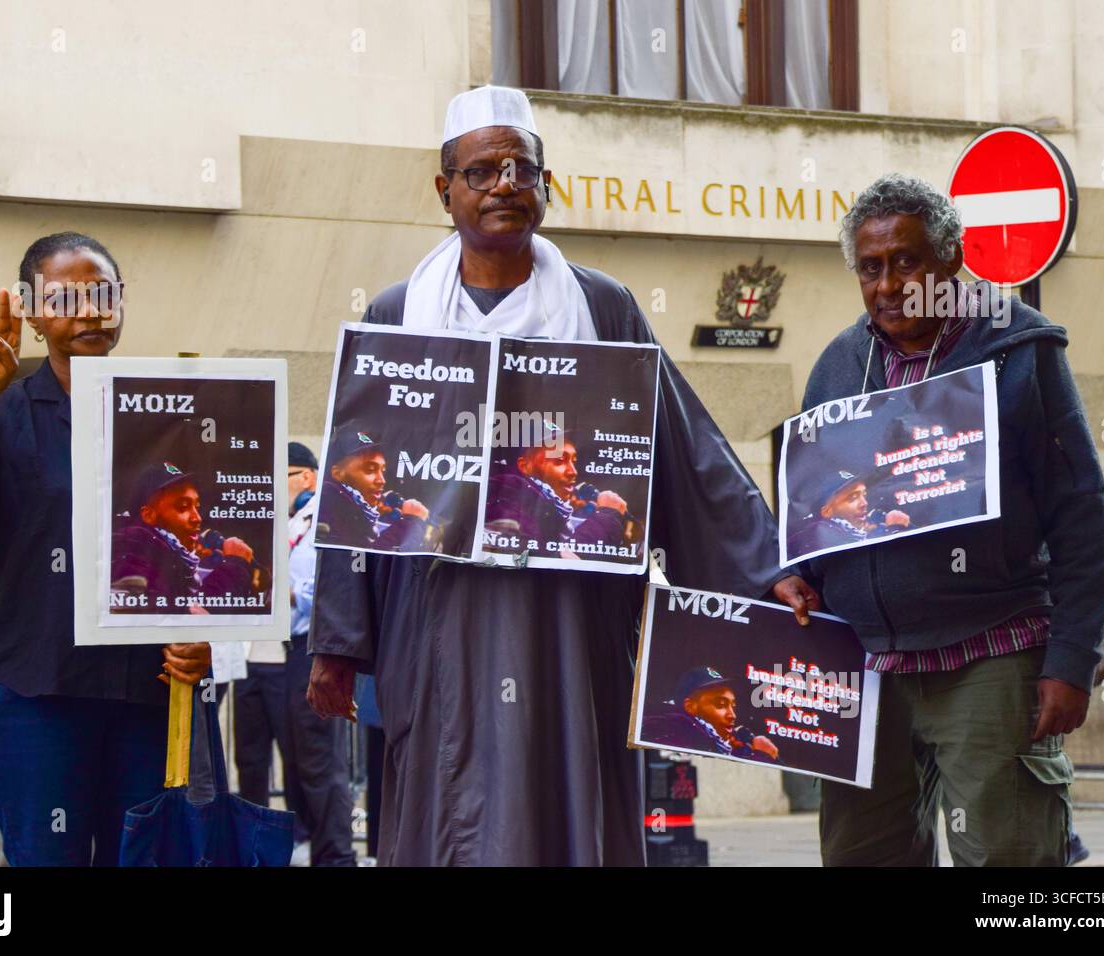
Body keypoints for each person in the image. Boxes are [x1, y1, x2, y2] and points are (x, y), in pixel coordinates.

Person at [307, 87, 818, 866]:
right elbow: (352, 486)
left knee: (570, 783)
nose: (504, 184)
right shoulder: (396, 314)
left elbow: (683, 452)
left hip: (572, 614)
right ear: (444, 189)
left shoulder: (602, 307)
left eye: (522, 168)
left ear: (547, 183)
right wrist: (337, 642)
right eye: (481, 171)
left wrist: (767, 567)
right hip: (437, 616)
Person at [804, 174, 1104, 867]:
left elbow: (1083, 519)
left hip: (990, 654)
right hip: (866, 664)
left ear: (953, 260)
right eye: (871, 267)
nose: (889, 285)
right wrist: (797, 574)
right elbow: (815, 508)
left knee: (1006, 862)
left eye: (907, 261)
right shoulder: (837, 365)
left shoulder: (1020, 353)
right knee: (862, 854)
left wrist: (1069, 658)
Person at [0, 232, 212, 866]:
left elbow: (204, 551)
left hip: (148, 696)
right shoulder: (2, 411)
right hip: (34, 701)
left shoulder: (172, 414)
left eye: (104, 294)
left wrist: (207, 632)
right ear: (32, 312)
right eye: (67, 298)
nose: (91, 311)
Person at [285, 441, 357, 865]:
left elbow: (323, 592)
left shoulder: (321, 520)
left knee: (322, 761)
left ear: (306, 476)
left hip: (315, 645)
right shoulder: (291, 521)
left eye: (283, 474)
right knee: (302, 760)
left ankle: (337, 856)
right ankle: (318, 847)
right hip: (291, 647)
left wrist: (277, 591)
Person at [109, 463, 261, 614]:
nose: (198, 518)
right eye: (183, 507)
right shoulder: (130, 548)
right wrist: (235, 565)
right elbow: (179, 619)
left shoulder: (166, 556)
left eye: (197, 506)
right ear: (149, 515)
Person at [484, 429, 628, 553]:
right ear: (525, 465)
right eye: (559, 461)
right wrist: (607, 517)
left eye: (574, 461)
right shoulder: (505, 503)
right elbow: (552, 562)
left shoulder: (549, 513)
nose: (573, 472)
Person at [317, 432, 431, 550]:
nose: (381, 480)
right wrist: (410, 522)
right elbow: (363, 562)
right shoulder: (328, 508)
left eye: (383, 471)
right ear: (337, 473)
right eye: (370, 469)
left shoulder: (351, 509)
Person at [642, 668, 778, 761]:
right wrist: (757, 754)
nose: (732, 715)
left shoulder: (717, 739)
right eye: (720, 704)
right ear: (690, 707)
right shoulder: (677, 728)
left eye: (733, 706)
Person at [786, 470, 910, 555]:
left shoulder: (858, 531)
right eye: (852, 498)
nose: (864, 503)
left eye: (864, 495)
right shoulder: (816, 536)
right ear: (827, 511)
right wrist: (895, 529)